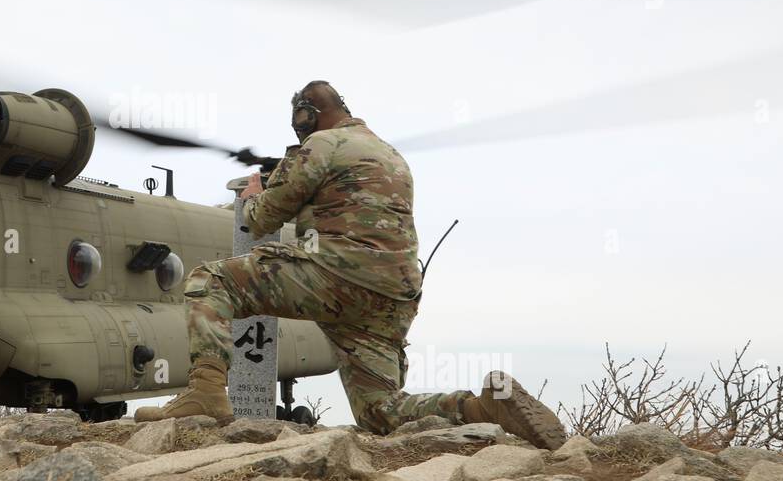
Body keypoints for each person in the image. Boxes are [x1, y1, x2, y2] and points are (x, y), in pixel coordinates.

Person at [136, 81, 567, 449]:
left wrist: (253, 194)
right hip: (393, 296)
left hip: (335, 277)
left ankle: (207, 392)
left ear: (307, 116)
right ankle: (479, 407)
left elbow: (262, 220)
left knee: (209, 280)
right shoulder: (390, 153)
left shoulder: (321, 144)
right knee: (379, 412)